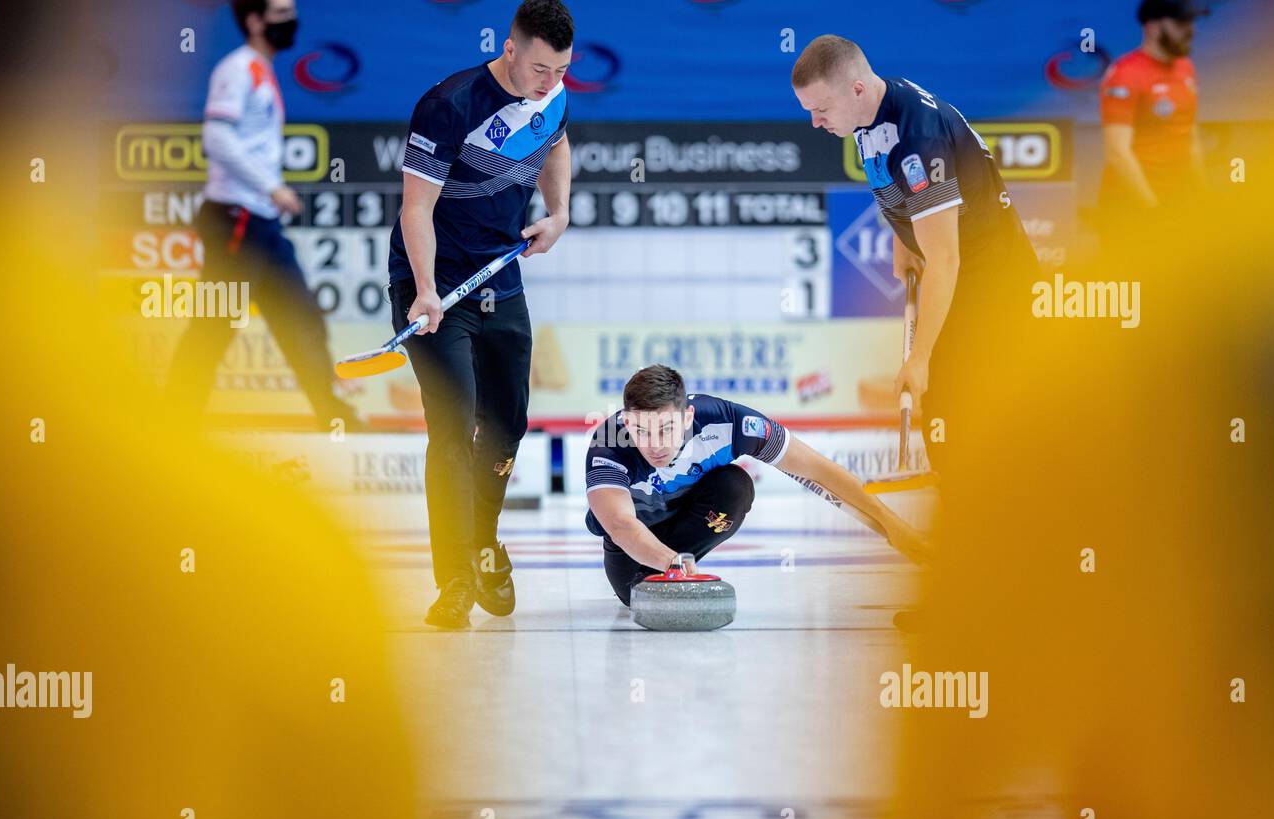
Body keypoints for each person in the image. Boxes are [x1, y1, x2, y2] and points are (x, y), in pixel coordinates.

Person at [387, 0, 573, 629]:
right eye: (541, 68)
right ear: (510, 50)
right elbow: (416, 209)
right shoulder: (450, 105)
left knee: (507, 424)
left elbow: (557, 142)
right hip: (433, 289)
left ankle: (484, 538)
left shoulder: (554, 93)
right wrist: (423, 289)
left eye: (563, 70)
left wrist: (560, 211)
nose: (551, 82)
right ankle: (456, 581)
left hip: (500, 279)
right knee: (453, 429)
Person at [791, 35, 1039, 484]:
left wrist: (918, 358)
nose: (814, 122)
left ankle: (982, 498)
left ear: (857, 90)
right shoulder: (874, 110)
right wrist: (903, 239)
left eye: (821, 109)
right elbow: (901, 189)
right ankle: (966, 490)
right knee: (949, 393)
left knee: (952, 391)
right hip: (968, 271)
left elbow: (944, 259)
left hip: (994, 282)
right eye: (809, 110)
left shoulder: (918, 136)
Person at [585, 365, 930, 607]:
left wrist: (893, 526)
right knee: (624, 550)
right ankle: (660, 571)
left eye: (665, 429)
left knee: (736, 486)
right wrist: (669, 563)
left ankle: (678, 561)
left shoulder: (730, 421)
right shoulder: (609, 442)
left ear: (688, 417)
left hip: (686, 529)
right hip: (630, 552)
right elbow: (620, 524)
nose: (654, 445)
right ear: (628, 421)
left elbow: (819, 470)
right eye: (642, 431)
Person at [166, 0, 358, 428]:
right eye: (281, 12)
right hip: (236, 218)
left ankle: (334, 417)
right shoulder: (238, 69)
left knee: (300, 316)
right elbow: (216, 138)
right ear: (254, 21)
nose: (291, 21)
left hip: (260, 222)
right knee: (215, 325)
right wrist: (270, 186)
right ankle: (173, 424)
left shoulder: (260, 69)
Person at [1098, 0, 1206, 259]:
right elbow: (1118, 153)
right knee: (1138, 295)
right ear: (1154, 27)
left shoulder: (1185, 68)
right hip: (1131, 210)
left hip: (1176, 204)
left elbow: (1191, 137)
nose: (1190, 30)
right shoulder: (1125, 74)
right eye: (1181, 23)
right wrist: (1154, 211)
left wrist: (1204, 198)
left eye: (1191, 22)